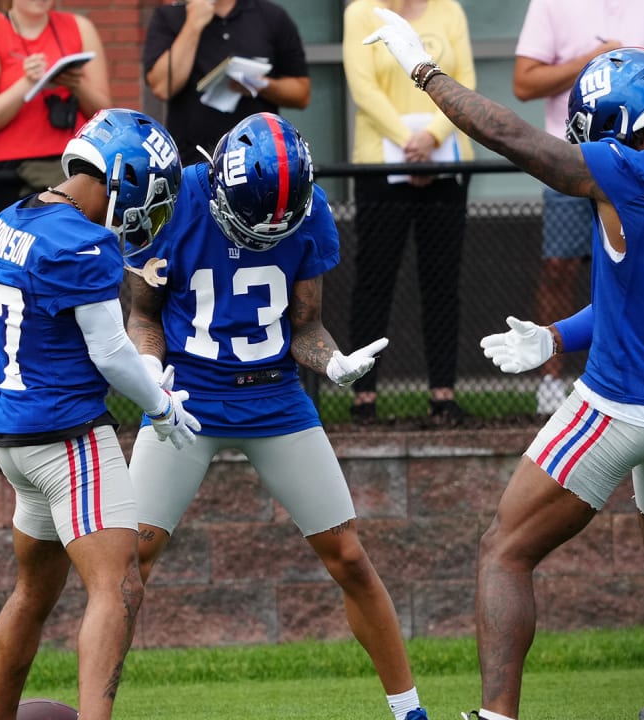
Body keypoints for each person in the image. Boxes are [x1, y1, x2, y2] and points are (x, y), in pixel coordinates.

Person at [365, 11, 644, 720]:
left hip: (624, 405)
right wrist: (554, 339)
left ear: (619, 116)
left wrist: (424, 71)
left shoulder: (625, 171)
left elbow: (511, 136)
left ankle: (496, 717)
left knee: (504, 550)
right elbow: (641, 301)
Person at [123, 112, 429, 720]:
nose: (265, 236)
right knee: (129, 562)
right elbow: (143, 316)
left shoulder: (308, 207)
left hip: (275, 397)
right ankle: (93, 709)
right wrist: (150, 373)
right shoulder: (176, 195)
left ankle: (409, 711)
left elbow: (305, 326)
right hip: (188, 399)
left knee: (348, 556)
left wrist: (332, 363)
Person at [0, 108, 200, 720]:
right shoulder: (85, 242)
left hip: (16, 438)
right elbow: (108, 350)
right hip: (68, 438)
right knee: (119, 587)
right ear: (127, 177)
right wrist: (159, 404)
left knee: (32, 593)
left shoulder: (10, 220)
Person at [512, 0, 644, 415]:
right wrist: (593, 64)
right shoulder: (550, 4)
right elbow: (524, 82)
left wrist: (637, 70)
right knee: (559, 267)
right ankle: (551, 378)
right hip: (574, 160)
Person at [342, 0, 475, 425]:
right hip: (382, 167)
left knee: (442, 283)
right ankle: (363, 397)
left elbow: (464, 80)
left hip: (445, 160)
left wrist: (433, 137)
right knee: (374, 281)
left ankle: (443, 395)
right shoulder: (360, 13)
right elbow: (363, 89)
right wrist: (409, 145)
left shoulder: (449, 11)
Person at [0, 0, 112, 224]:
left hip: (70, 163)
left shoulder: (79, 27)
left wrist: (76, 85)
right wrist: (27, 83)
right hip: (9, 173)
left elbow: (102, 112)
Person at [142, 0, 310, 162]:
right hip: (192, 163)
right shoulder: (170, 16)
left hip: (257, 161)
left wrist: (261, 85)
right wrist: (193, 24)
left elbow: (301, 94)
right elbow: (162, 87)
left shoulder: (271, 16)